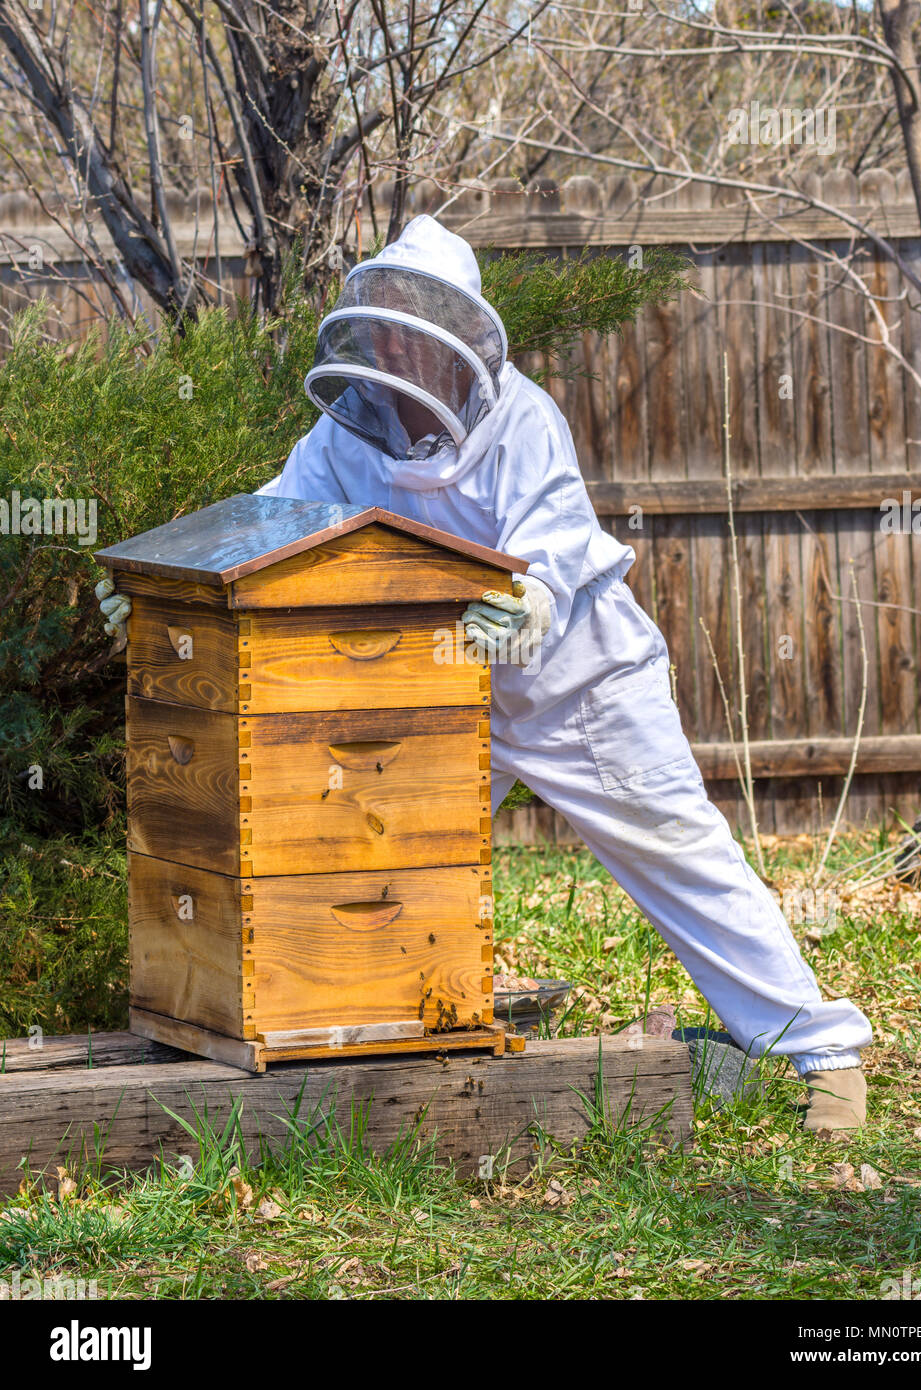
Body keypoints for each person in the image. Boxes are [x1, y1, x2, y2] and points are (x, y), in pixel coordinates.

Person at [99, 214, 872, 1132]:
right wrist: (165, 590)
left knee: (675, 851)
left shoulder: (520, 418)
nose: (394, 345)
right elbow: (275, 521)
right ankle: (360, 1027)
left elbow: (552, 543)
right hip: (437, 696)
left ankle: (819, 1052)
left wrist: (534, 596)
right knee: (366, 860)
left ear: (455, 337)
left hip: (580, 690)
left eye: (410, 325)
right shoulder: (347, 435)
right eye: (381, 325)